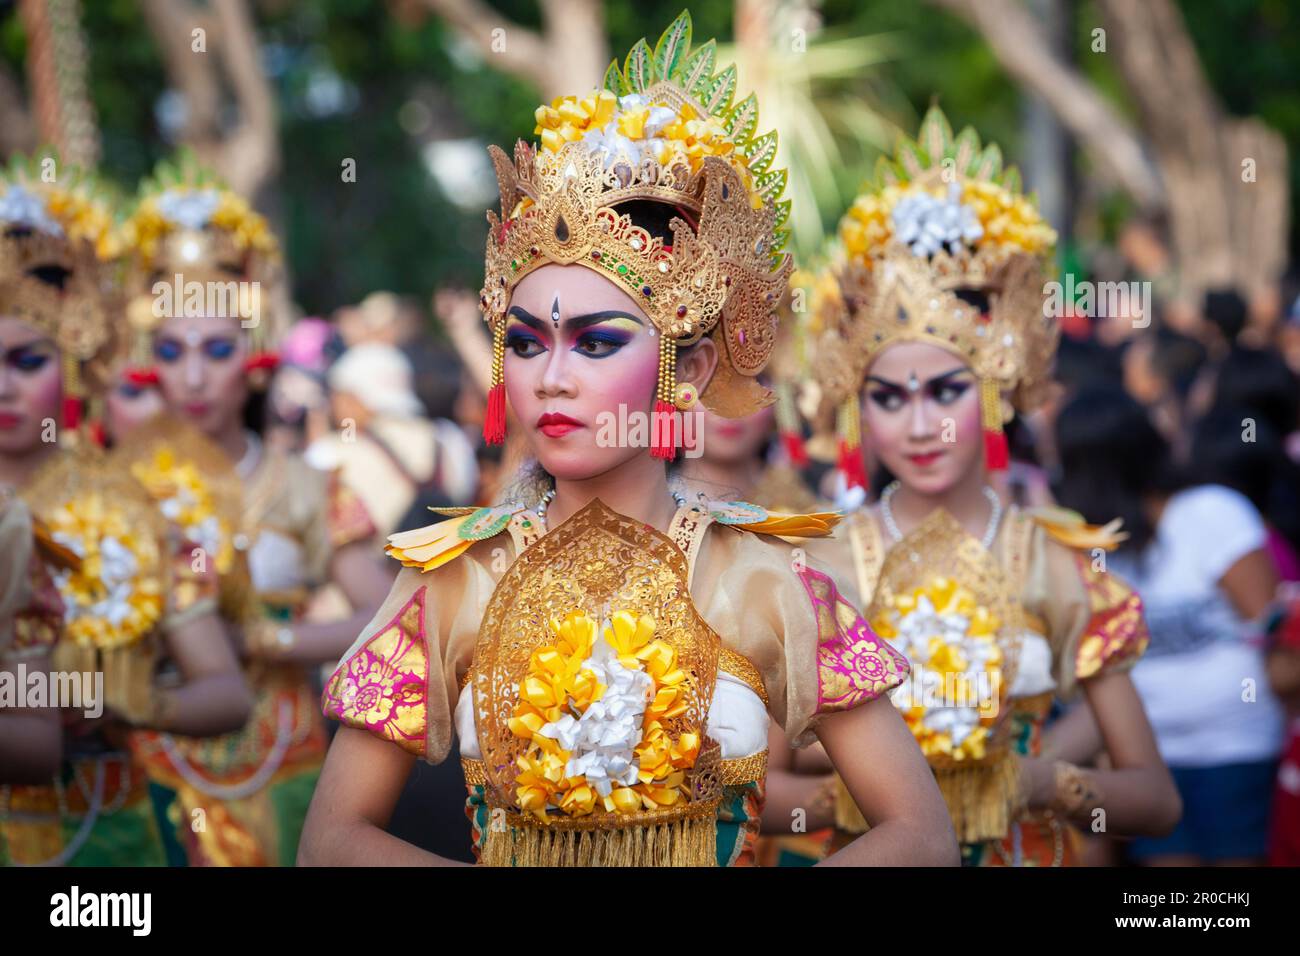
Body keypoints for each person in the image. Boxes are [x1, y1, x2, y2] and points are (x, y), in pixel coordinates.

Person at [299, 11, 957, 868]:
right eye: (528, 342)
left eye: (597, 342)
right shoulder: (457, 577)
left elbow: (918, 833)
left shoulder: (764, 575)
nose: (552, 378)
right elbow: (332, 841)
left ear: (691, 367)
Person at [778, 108, 1181, 866]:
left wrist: (1035, 781)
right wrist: (887, 797)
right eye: (890, 398)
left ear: (994, 390)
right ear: (856, 407)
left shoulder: (1056, 558)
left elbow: (1156, 801)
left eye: (945, 391)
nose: (921, 425)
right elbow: (759, 787)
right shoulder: (818, 567)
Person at [111, 154, 392, 865]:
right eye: (173, 351)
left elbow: (393, 620)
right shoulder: (111, 492)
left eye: (217, 349)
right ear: (150, 359)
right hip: (145, 773)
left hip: (285, 768)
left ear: (255, 354)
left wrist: (264, 644)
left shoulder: (306, 486)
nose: (196, 375)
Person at [0, 159, 250, 866]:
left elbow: (225, 691)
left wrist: (125, 703)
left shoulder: (142, 504)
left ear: (76, 361)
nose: (3, 387)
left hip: (103, 844)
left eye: (26, 361)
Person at [1055, 388, 1284, 866]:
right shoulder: (1088, 543)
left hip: (1237, 747)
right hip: (1147, 758)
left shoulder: (1211, 512)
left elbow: (1272, 628)